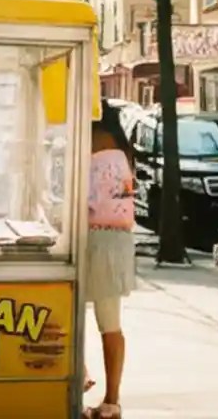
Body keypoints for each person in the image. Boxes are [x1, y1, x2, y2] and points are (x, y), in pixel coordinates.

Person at [83, 100, 137, 419]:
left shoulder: (92, 142)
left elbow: (79, 195)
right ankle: (111, 400)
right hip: (118, 239)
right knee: (110, 323)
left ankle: (82, 376)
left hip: (95, 238)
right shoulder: (121, 149)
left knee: (72, 311)